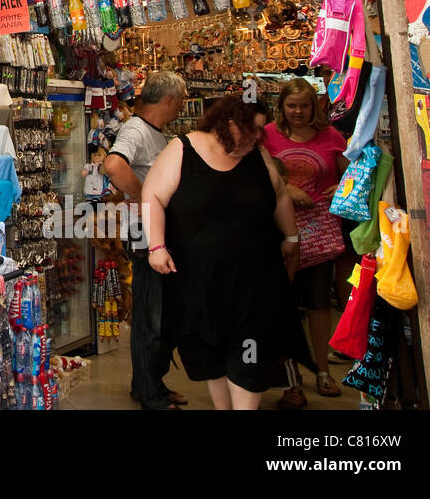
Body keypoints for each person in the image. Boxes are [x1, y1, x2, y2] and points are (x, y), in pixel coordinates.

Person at [142, 96, 313, 410]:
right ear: (230, 124)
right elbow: (152, 194)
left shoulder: (257, 154)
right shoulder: (184, 149)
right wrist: (156, 246)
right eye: (255, 129)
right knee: (211, 355)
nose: (261, 137)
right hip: (200, 285)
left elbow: (278, 194)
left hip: (254, 285)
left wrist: (291, 237)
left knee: (249, 354)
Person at [102, 70, 188, 411]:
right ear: (168, 100)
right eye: (180, 101)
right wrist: (143, 197)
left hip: (154, 235)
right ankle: (148, 392)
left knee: (162, 317)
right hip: (143, 236)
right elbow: (113, 165)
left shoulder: (154, 133)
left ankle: (153, 383)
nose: (181, 107)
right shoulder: (136, 129)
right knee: (150, 318)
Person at [262, 78, 349, 406]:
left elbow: (353, 174)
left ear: (315, 106)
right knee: (284, 306)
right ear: (281, 106)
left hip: (321, 231)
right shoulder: (268, 135)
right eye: (291, 106)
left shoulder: (331, 137)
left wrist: (341, 188)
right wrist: (284, 188)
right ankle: (291, 380)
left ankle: (323, 370)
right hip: (280, 234)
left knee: (318, 303)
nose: (297, 112)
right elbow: (257, 174)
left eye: (304, 105)